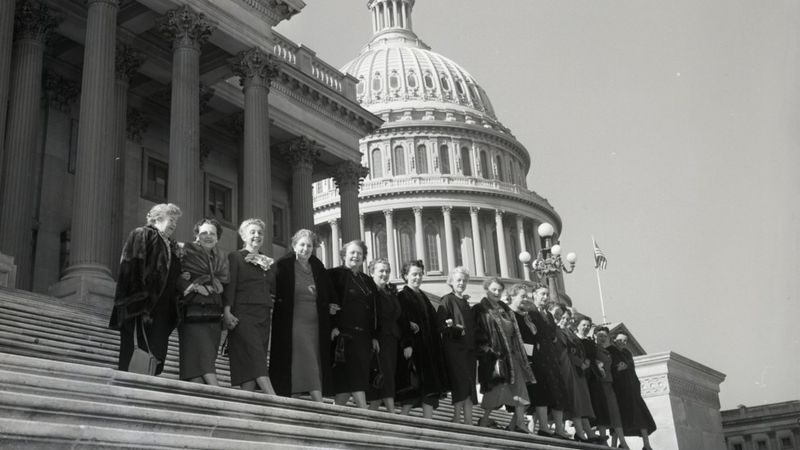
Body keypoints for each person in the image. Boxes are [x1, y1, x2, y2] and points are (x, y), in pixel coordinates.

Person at [110, 203, 183, 376]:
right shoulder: (142, 234)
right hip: (141, 307)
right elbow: (132, 268)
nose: (174, 224)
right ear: (158, 218)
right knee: (135, 354)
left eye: (176, 221)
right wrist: (139, 305)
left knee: (155, 357)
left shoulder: (171, 246)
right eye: (171, 220)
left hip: (163, 311)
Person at [270, 229, 336, 402]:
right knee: (306, 355)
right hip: (294, 319)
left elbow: (328, 290)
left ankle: (296, 390)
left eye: (309, 245)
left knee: (311, 356)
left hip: (316, 320)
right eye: (302, 245)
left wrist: (330, 305)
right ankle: (318, 397)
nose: (306, 249)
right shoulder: (283, 265)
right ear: (294, 246)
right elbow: (273, 288)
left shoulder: (317, 265)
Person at [473, 278, 536, 431]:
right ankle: (485, 419)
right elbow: (477, 331)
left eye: (499, 290)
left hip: (513, 355)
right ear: (486, 289)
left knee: (520, 388)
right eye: (493, 289)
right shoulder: (480, 309)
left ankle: (520, 423)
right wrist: (486, 349)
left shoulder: (506, 310)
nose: (496, 293)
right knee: (496, 389)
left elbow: (515, 333)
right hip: (496, 356)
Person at [222, 218, 276, 394]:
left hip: (263, 315)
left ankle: (246, 404)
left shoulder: (268, 262)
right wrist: (227, 311)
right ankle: (274, 398)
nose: (256, 235)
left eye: (260, 233)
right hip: (243, 314)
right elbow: (231, 285)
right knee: (256, 357)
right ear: (243, 235)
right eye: (252, 232)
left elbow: (272, 288)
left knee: (251, 362)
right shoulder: (235, 257)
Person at [177, 218, 229, 385]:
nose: (208, 236)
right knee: (199, 355)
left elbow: (226, 282)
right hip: (192, 309)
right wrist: (194, 285)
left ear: (217, 237)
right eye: (204, 232)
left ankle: (201, 399)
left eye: (212, 233)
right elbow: (175, 274)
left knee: (205, 357)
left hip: (214, 312)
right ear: (196, 235)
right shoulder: (185, 251)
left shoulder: (221, 257)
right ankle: (217, 391)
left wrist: (217, 286)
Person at [328, 240, 380, 408]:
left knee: (350, 380)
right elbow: (329, 302)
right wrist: (333, 326)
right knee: (353, 375)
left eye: (359, 253)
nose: (356, 256)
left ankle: (335, 417)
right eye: (352, 252)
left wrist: (374, 336)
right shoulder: (334, 275)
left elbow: (374, 311)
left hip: (364, 336)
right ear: (344, 255)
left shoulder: (368, 281)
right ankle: (364, 412)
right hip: (344, 334)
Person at [396, 260, 448, 419]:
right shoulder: (402, 296)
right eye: (414, 274)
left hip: (429, 350)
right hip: (415, 350)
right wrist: (407, 344)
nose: (417, 277)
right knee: (412, 391)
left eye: (420, 274)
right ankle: (402, 422)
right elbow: (401, 321)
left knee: (429, 392)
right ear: (405, 276)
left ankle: (429, 423)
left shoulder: (423, 296)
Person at [366, 258, 410, 412]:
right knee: (385, 375)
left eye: (387, 271)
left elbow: (396, 315)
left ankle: (369, 414)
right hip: (380, 339)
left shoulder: (390, 292)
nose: (384, 274)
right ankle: (391, 412)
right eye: (381, 271)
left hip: (392, 339)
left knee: (385, 376)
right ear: (372, 273)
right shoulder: (370, 291)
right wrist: (374, 337)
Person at [436, 266, 478, 425]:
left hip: (469, 349)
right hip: (455, 349)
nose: (461, 283)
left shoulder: (466, 302)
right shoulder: (447, 299)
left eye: (464, 280)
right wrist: (453, 328)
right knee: (460, 382)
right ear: (451, 282)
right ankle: (457, 416)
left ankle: (468, 420)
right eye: (458, 280)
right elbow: (440, 325)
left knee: (469, 383)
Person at [527, 283, 569, 438]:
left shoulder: (549, 315)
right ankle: (543, 427)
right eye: (542, 294)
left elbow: (552, 335)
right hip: (538, 356)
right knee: (542, 392)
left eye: (546, 294)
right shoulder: (530, 312)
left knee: (558, 391)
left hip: (551, 356)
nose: (545, 297)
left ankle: (559, 428)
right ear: (534, 295)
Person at [551, 304, 595, 442]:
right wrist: (579, 362)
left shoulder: (569, 332)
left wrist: (584, 361)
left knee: (579, 400)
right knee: (574, 400)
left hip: (576, 370)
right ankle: (580, 432)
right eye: (563, 317)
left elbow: (577, 349)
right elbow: (566, 352)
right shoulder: (557, 330)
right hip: (566, 367)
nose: (565, 320)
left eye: (568, 318)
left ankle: (585, 432)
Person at [609, 332, 656, 450]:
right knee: (618, 417)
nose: (622, 343)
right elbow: (612, 367)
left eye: (625, 341)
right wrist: (618, 367)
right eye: (620, 340)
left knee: (640, 415)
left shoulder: (627, 353)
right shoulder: (610, 350)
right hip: (618, 390)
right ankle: (614, 445)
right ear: (614, 339)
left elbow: (630, 366)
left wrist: (625, 366)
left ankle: (646, 445)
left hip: (632, 389)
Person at [508, 282, 538, 433]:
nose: (526, 299)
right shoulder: (508, 314)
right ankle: (519, 423)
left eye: (527, 296)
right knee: (521, 393)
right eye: (523, 296)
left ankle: (514, 426)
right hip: (515, 357)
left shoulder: (526, 317)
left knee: (527, 395)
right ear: (512, 296)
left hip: (528, 359)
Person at [575, 316, 610, 443]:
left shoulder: (590, 342)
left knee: (595, 403)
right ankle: (587, 432)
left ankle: (592, 433)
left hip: (593, 375)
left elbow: (594, 357)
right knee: (583, 401)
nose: (586, 328)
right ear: (578, 325)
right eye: (584, 325)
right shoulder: (574, 338)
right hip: (580, 372)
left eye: (588, 326)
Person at [593, 326, 629, 449]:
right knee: (602, 412)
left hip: (609, 383)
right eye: (600, 335)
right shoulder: (593, 348)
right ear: (595, 336)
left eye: (605, 336)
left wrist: (618, 368)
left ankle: (622, 442)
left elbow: (611, 368)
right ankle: (603, 440)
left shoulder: (607, 351)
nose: (602, 338)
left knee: (615, 413)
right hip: (598, 384)